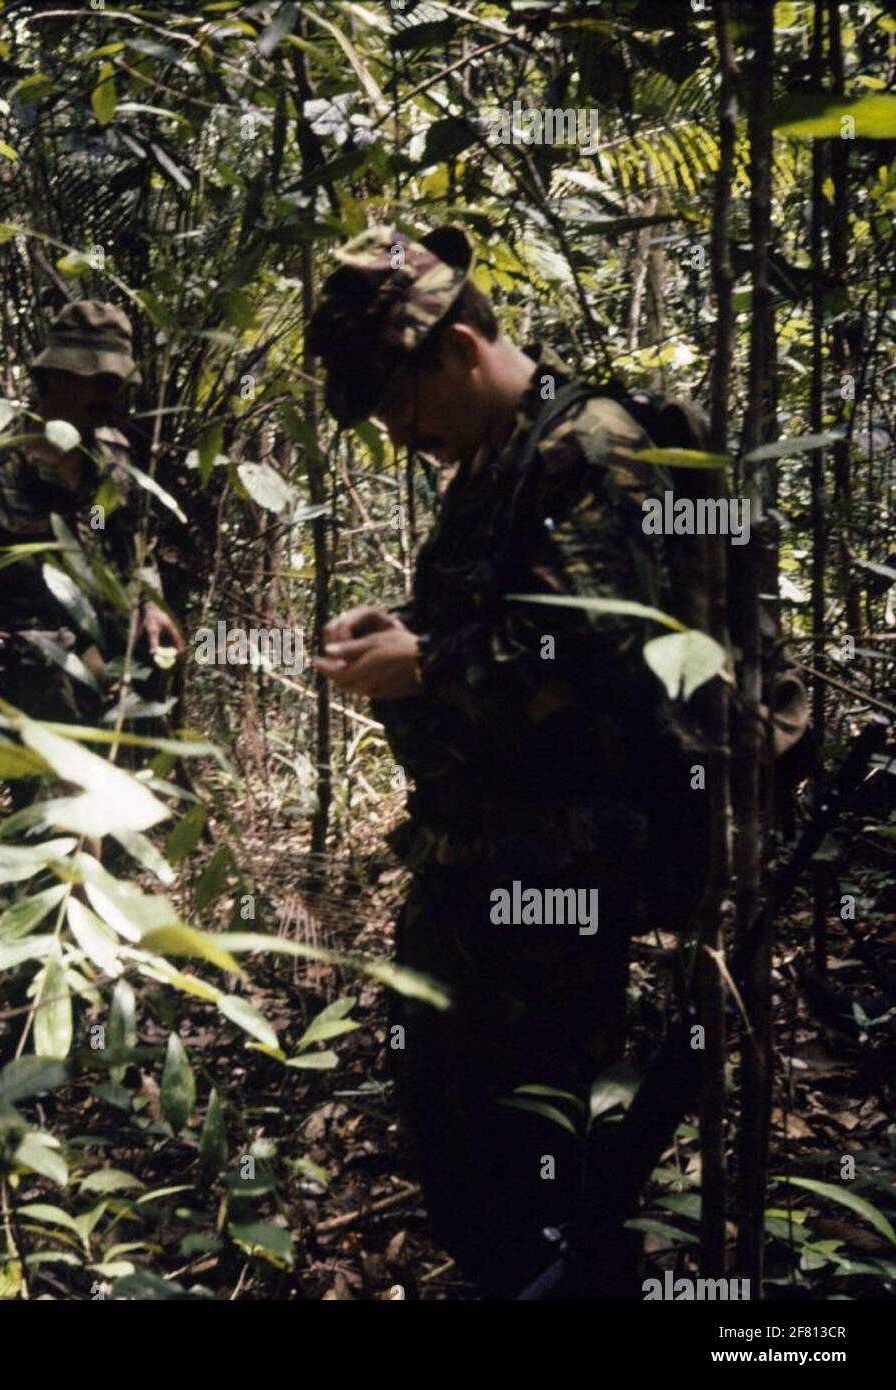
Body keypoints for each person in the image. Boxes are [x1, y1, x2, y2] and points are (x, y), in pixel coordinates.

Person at [306, 226, 681, 1299]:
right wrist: (405, 639)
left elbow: (610, 652)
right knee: (457, 1135)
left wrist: (425, 665)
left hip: (563, 877)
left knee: (539, 1160)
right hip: (484, 860)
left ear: (460, 347)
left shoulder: (590, 445)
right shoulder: (497, 463)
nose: (398, 433)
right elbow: (505, 625)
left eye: (398, 406)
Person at [0, 300, 183, 723]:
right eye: (95, 378)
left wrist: (150, 602)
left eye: (115, 380)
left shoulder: (118, 457)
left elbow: (135, 545)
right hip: (33, 695)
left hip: (123, 686)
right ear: (54, 375)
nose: (108, 392)